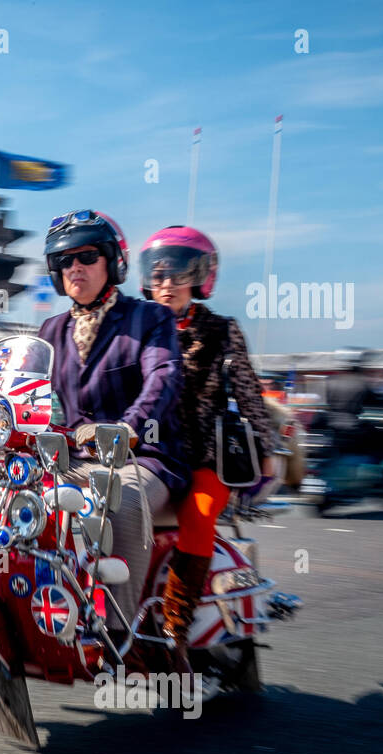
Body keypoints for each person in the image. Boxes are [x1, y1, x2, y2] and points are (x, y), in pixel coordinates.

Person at [37, 210, 189, 643]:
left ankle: (120, 634)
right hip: (78, 458)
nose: (75, 268)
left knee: (116, 500)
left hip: (145, 458)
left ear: (112, 262)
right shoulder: (50, 330)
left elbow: (163, 378)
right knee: (9, 497)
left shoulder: (149, 319)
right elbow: (24, 391)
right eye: (64, 261)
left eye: (86, 256)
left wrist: (128, 426)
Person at [139, 225, 276, 675]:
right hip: (145, 456)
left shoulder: (221, 331)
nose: (166, 284)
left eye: (177, 274)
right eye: (158, 275)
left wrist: (268, 453)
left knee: (198, 513)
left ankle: (176, 634)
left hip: (203, 458)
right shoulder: (136, 329)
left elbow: (250, 394)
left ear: (200, 278)